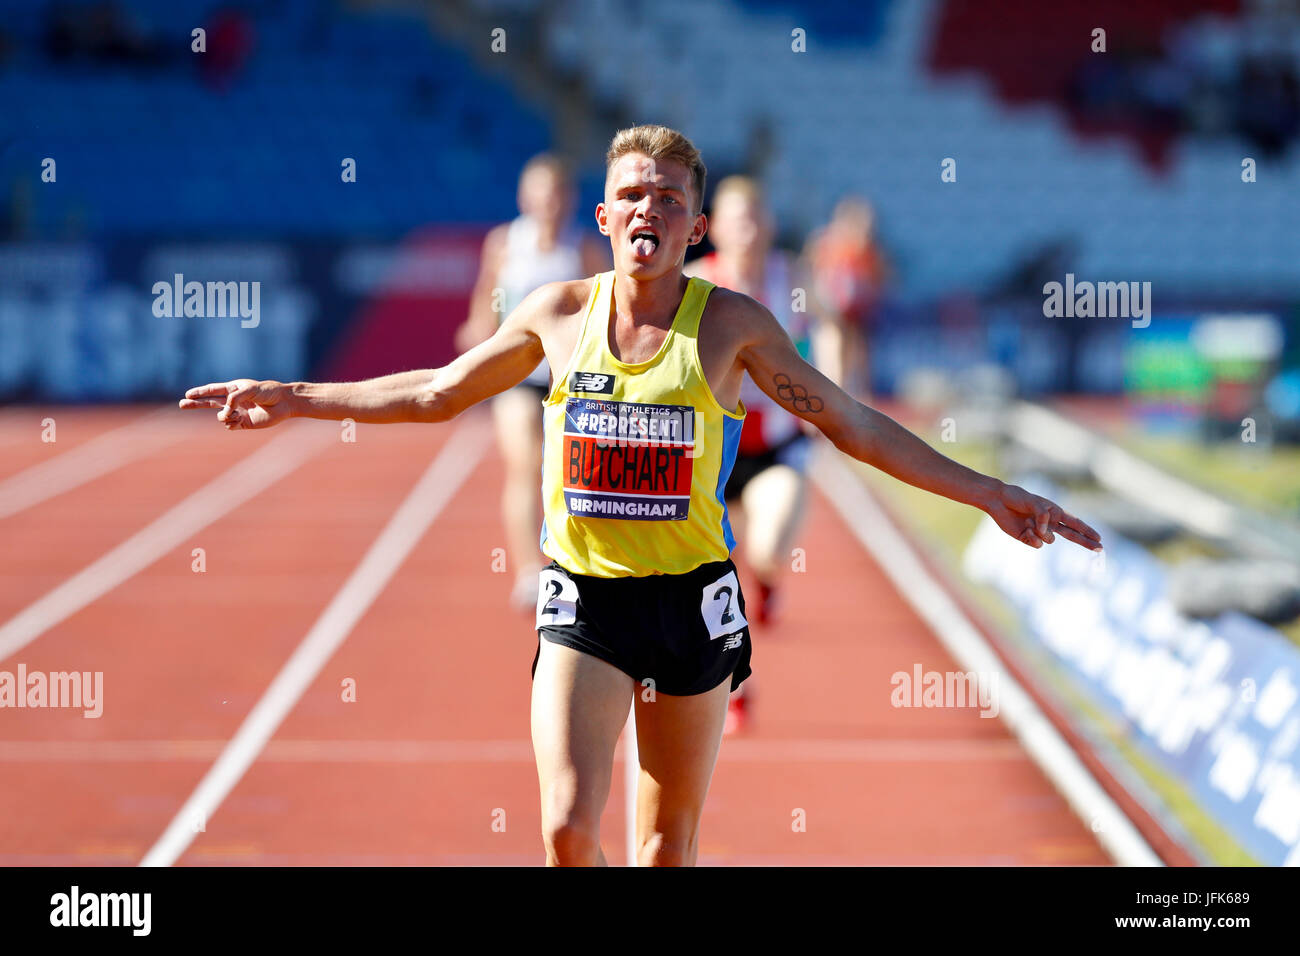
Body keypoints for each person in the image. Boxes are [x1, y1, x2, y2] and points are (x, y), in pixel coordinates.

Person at [179, 124, 1103, 867]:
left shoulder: (733, 327)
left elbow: (851, 424)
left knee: (665, 845)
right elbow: (435, 393)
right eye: (632, 195)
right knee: (569, 828)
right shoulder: (555, 315)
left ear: (696, 225)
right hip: (583, 599)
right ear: (605, 216)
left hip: (691, 602)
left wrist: (987, 493)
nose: (648, 209)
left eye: (669, 197)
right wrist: (292, 397)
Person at [685, 175, 847, 735]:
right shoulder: (697, 283)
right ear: (714, 227)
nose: (748, 230)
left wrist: (831, 389)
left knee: (769, 546)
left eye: (756, 218)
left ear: (769, 225)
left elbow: (829, 327)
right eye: (737, 219)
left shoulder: (792, 278)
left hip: (778, 445)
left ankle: (771, 577)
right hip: (711, 454)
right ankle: (736, 691)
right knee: (713, 581)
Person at [455, 154, 608, 610]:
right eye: (541, 193)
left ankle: (577, 565)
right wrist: (477, 331)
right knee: (526, 466)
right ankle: (528, 572)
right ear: (525, 197)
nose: (550, 203)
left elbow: (603, 309)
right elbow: (488, 296)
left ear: (570, 199)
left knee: (571, 477)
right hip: (517, 374)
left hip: (571, 379)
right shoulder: (504, 243)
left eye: (558, 194)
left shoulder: (583, 248)